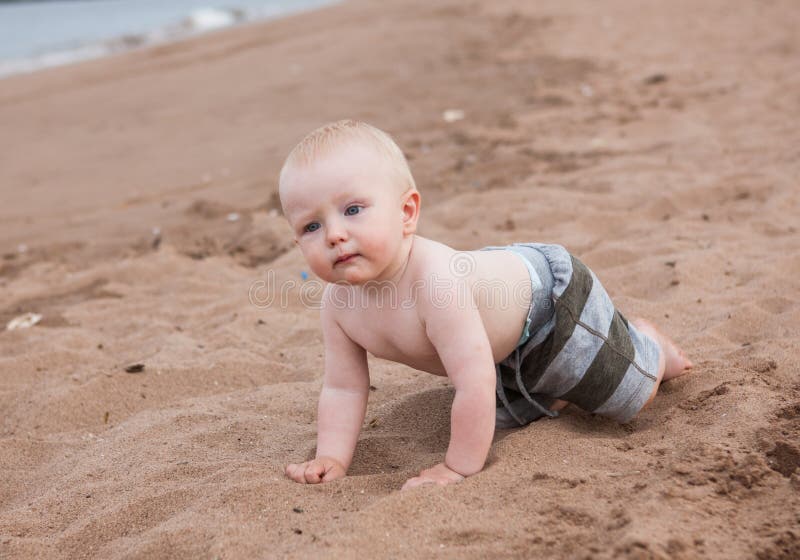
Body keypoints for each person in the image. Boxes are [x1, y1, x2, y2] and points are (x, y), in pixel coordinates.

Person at [280, 120, 692, 490]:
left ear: (406, 213)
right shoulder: (338, 305)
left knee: (630, 398)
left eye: (353, 210)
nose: (334, 234)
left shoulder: (435, 283)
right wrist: (332, 457)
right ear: (297, 242)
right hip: (500, 342)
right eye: (312, 226)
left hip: (550, 303)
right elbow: (343, 387)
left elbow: (474, 380)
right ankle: (551, 387)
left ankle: (650, 346)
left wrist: (457, 467)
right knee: (506, 416)